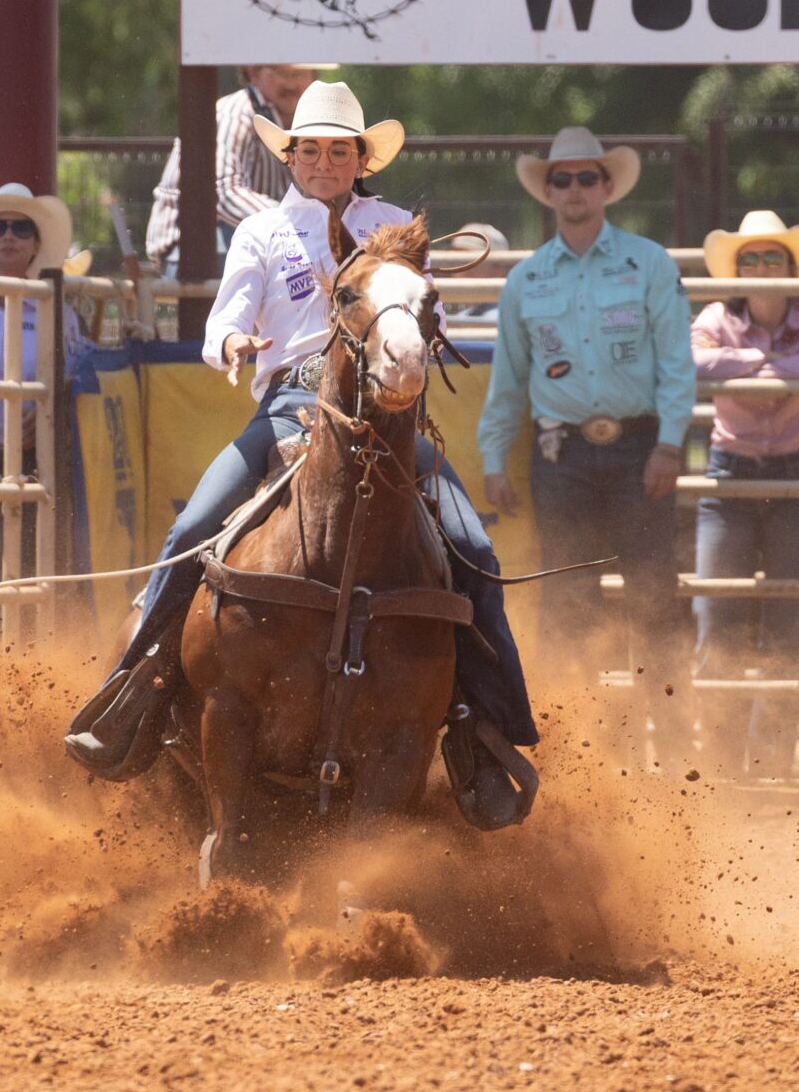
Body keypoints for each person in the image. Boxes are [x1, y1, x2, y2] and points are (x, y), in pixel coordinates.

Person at [67, 82, 538, 830]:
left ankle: (486, 727)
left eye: (338, 149)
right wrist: (229, 341)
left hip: (387, 419)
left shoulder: (394, 229)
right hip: (291, 404)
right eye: (309, 147)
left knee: (474, 547)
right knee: (193, 530)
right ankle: (139, 687)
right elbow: (227, 311)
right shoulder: (262, 233)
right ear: (289, 156)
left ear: (360, 158)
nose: (323, 160)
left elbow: (420, 317)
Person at [478, 126, 695, 760]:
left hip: (639, 452)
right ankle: (578, 755)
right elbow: (509, 381)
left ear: (607, 187)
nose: (575, 189)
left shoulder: (649, 263)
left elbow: (677, 365)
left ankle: (681, 755)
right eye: (563, 179)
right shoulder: (526, 280)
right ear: (548, 191)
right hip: (561, 457)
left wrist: (672, 445)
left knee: (655, 596)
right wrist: (495, 460)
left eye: (587, 178)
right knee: (568, 604)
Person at [691, 211, 799, 778]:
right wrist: (769, 364)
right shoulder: (717, 315)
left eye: (771, 256)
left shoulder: (726, 321)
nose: (761, 266)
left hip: (791, 478)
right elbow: (693, 359)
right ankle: (720, 762)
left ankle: (774, 760)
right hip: (730, 478)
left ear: (789, 265)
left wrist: (753, 366)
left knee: (788, 626)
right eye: (751, 258)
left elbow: (709, 361)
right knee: (717, 618)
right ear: (738, 270)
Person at [0, 182, 89, 576]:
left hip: (28, 461)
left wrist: (50, 418)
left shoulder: (59, 314)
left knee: (19, 568)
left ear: (35, 243)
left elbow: (75, 387)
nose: (9, 236)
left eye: (21, 228)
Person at [145, 63, 333, 277]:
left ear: (313, 76)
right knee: (302, 267)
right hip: (189, 251)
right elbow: (224, 193)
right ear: (253, 72)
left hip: (243, 242)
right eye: (280, 72)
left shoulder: (298, 122)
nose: (290, 83)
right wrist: (297, 222)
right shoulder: (235, 113)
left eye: (299, 73)